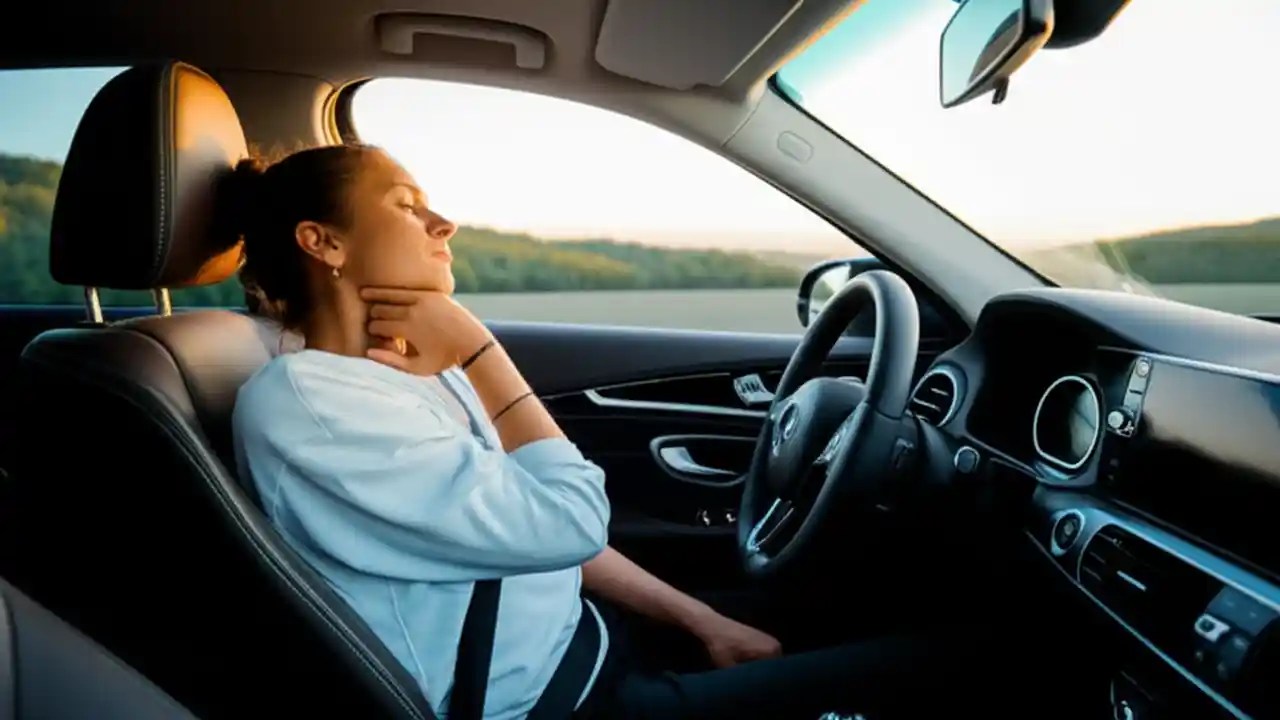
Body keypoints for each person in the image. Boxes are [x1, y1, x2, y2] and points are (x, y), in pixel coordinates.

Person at [228, 144, 987, 720]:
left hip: (583, 637)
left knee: (869, 609)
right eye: (404, 204)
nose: (442, 222)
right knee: (961, 667)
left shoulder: (396, 369)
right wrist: (481, 350)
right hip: (553, 701)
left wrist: (701, 620)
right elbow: (567, 518)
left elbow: (542, 536)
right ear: (321, 243)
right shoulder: (316, 406)